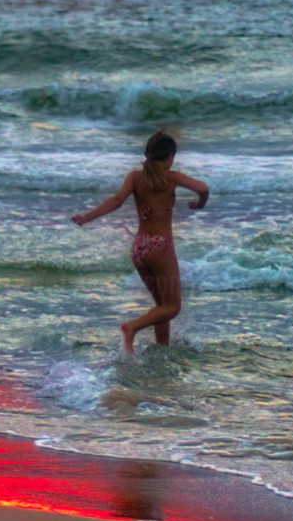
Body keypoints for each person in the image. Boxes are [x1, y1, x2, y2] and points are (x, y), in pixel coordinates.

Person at [71, 130, 209, 355]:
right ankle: (131, 327)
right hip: (160, 247)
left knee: (161, 305)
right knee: (172, 307)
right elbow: (203, 188)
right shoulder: (172, 177)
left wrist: (86, 217)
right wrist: (200, 204)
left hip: (140, 247)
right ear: (169, 156)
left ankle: (162, 350)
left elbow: (116, 201)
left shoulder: (135, 177)